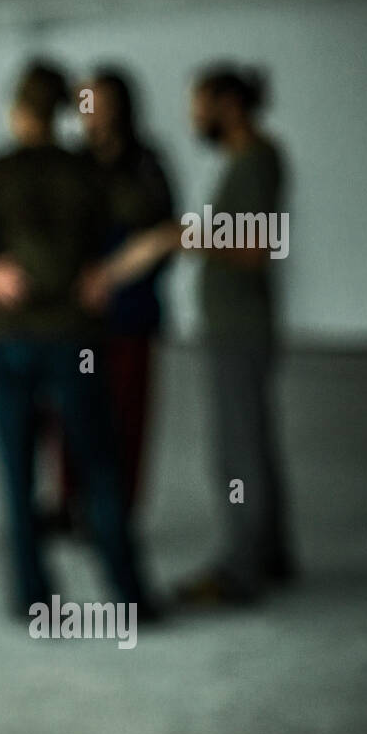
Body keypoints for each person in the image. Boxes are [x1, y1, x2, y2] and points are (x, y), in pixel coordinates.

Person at [0, 61, 156, 620]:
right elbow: (160, 225)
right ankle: (131, 597)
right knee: (99, 467)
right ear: (63, 113)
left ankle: (32, 598)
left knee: (17, 472)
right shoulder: (89, 172)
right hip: (78, 338)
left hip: (11, 338)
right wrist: (110, 273)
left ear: (15, 110)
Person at [82, 65, 293, 605]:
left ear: (228, 104)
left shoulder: (257, 160)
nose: (193, 117)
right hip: (233, 326)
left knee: (238, 449)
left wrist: (179, 237)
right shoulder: (246, 161)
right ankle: (271, 553)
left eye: (200, 104)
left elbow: (256, 247)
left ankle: (243, 570)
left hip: (240, 328)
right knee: (253, 443)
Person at [43, 69, 176, 532]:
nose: (88, 114)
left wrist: (115, 278)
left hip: (128, 314)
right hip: (77, 316)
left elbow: (164, 238)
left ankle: (118, 509)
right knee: (70, 413)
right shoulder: (74, 164)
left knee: (125, 414)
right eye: (83, 104)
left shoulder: (145, 165)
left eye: (96, 103)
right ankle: (71, 502)